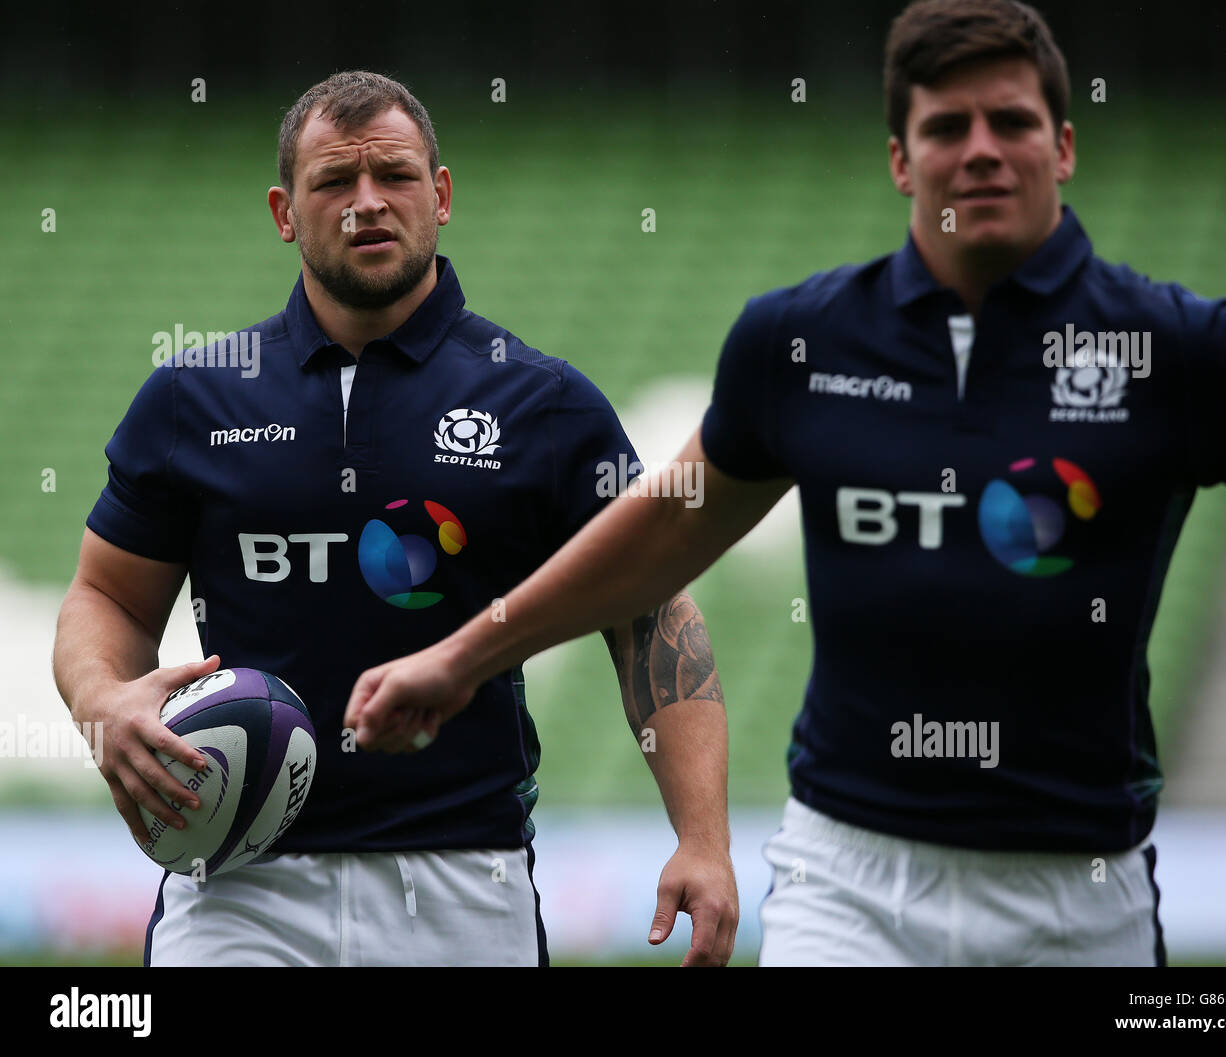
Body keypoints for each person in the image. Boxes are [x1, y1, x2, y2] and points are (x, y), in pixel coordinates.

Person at [345, 1, 1226, 966]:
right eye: (944, 127)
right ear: (900, 158)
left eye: (1010, 122)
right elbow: (657, 538)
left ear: (1062, 146)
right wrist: (461, 657)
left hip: (1080, 896)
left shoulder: (1183, 352)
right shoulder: (802, 342)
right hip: (847, 888)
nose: (981, 150)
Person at [52, 70, 738, 967]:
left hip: (462, 884)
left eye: (396, 176)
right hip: (234, 884)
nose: (367, 202)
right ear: (284, 212)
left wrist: (702, 836)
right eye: (334, 182)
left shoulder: (545, 402)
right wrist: (103, 701)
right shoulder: (193, 397)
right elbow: (107, 595)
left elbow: (652, 614)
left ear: (441, 195)